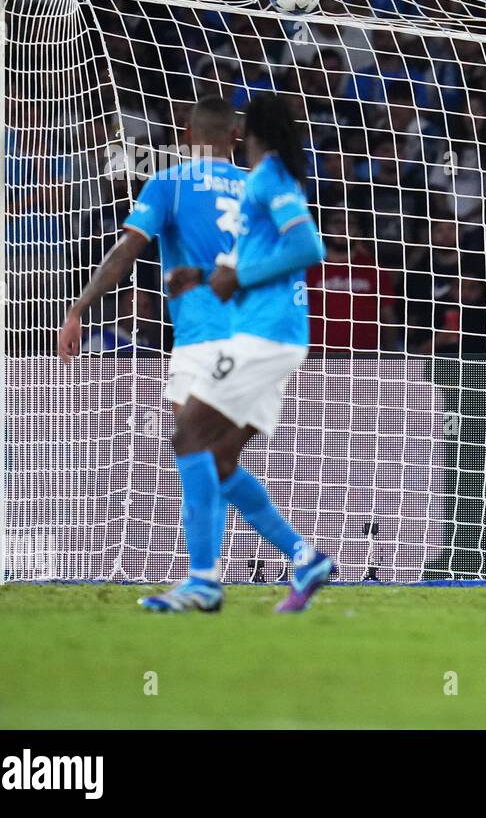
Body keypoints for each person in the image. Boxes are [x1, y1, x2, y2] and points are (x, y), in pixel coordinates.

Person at [58, 96, 327, 612]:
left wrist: (80, 308)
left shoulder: (169, 183)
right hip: (258, 331)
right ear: (234, 137)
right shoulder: (255, 185)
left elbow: (125, 252)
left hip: (205, 340)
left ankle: (203, 580)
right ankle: (301, 554)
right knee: (220, 462)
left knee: (194, 446)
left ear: (184, 134)